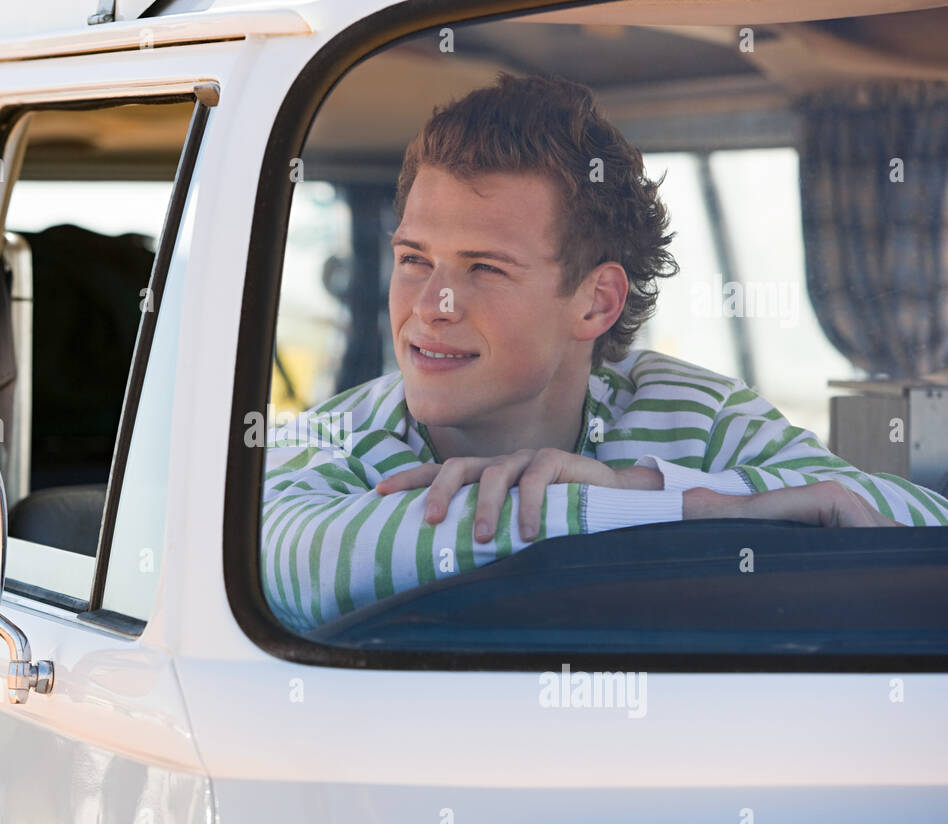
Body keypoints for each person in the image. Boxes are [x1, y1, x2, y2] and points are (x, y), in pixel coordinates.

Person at [261, 73, 948, 634]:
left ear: (596, 302)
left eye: (485, 269)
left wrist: (637, 488)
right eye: (414, 259)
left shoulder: (694, 412)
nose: (430, 306)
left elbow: (915, 520)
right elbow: (304, 562)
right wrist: (692, 511)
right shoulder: (336, 439)